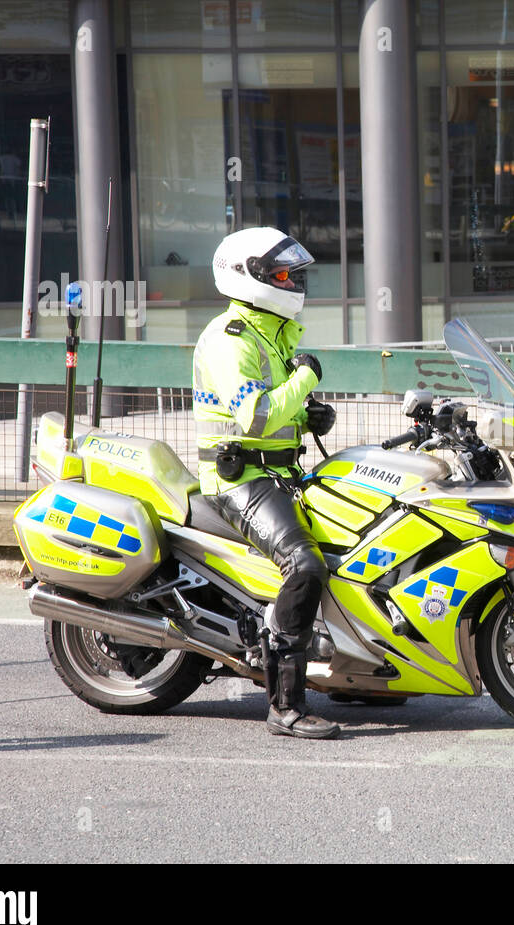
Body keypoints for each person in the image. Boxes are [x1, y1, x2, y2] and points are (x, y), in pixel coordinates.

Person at [193, 226, 341, 739]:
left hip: (280, 473)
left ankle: (355, 673)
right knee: (304, 564)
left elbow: (278, 413)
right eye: (282, 274)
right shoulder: (229, 340)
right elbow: (255, 416)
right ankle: (285, 706)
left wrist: (308, 417)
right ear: (249, 278)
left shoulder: (272, 335)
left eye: (293, 274)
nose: (292, 281)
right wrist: (305, 381)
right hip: (239, 479)